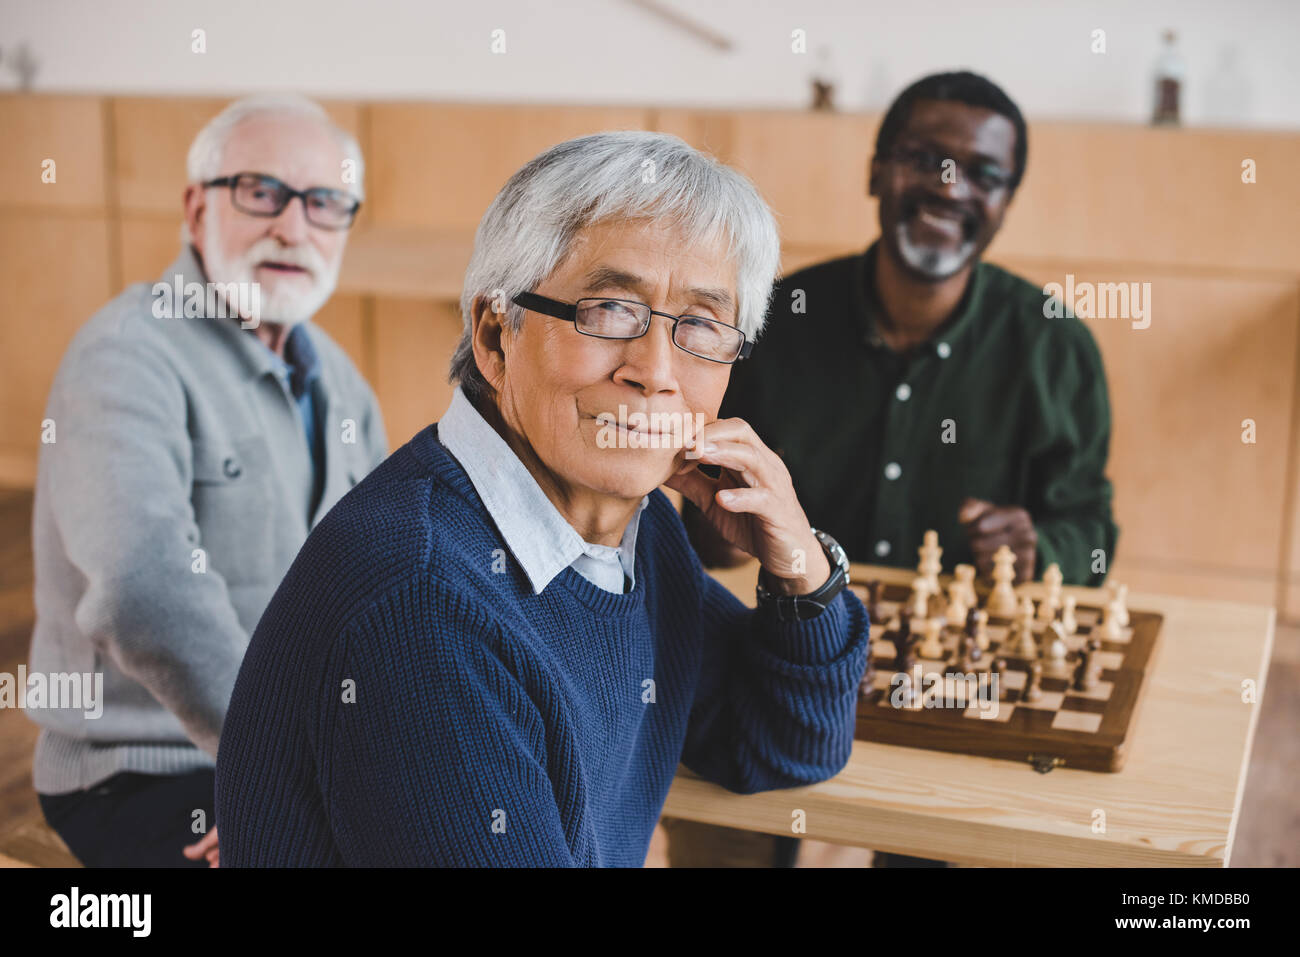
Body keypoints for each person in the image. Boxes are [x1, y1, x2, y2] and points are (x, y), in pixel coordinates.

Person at [214, 130, 871, 867]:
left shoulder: (634, 525)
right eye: (610, 310)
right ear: (495, 334)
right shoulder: (424, 604)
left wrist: (800, 568)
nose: (656, 371)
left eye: (700, 326)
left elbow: (784, 744)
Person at [679, 71, 1118, 867]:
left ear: (1007, 199)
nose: (950, 188)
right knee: (739, 819)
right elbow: (708, 541)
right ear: (876, 170)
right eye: (925, 158)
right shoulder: (777, 321)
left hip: (960, 688)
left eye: (983, 173)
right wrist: (720, 527)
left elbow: (1090, 531)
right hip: (791, 660)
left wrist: (1043, 547)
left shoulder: (1055, 348)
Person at [26, 93, 388, 867]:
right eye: (261, 193)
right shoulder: (125, 354)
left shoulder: (342, 381)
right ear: (196, 209)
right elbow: (140, 585)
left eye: (324, 204)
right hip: (139, 770)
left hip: (302, 754)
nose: (294, 227)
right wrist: (279, 771)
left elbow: (382, 586)